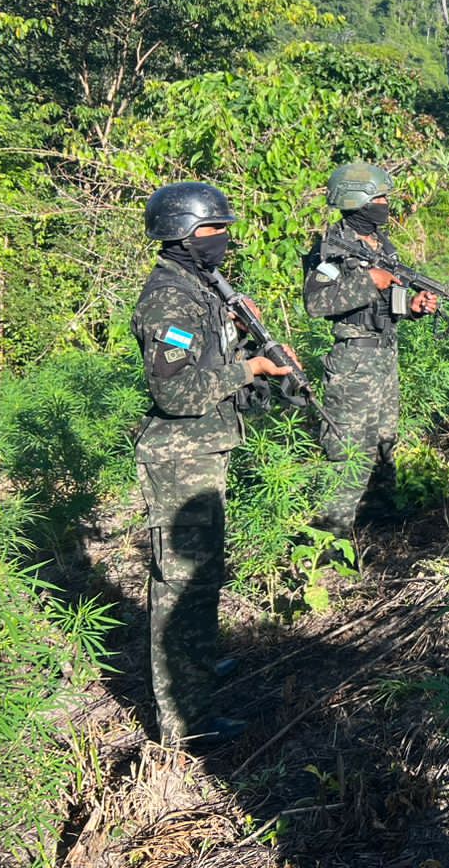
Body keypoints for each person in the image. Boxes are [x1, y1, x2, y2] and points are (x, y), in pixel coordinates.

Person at [131, 182, 294, 745]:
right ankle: (184, 725)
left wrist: (248, 341)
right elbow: (176, 395)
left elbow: (209, 362)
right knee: (180, 587)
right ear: (181, 235)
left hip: (203, 450)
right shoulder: (169, 301)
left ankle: (196, 668)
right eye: (212, 230)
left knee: (202, 580)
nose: (223, 239)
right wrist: (249, 370)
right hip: (179, 457)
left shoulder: (203, 288)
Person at [303, 162, 437, 535]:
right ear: (356, 201)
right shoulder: (331, 250)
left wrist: (411, 307)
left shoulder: (381, 243)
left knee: (383, 441)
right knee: (348, 449)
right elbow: (316, 303)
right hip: (354, 359)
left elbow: (386, 299)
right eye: (378, 198)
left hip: (384, 353)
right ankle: (330, 539)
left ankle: (380, 525)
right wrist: (367, 281)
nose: (385, 204)